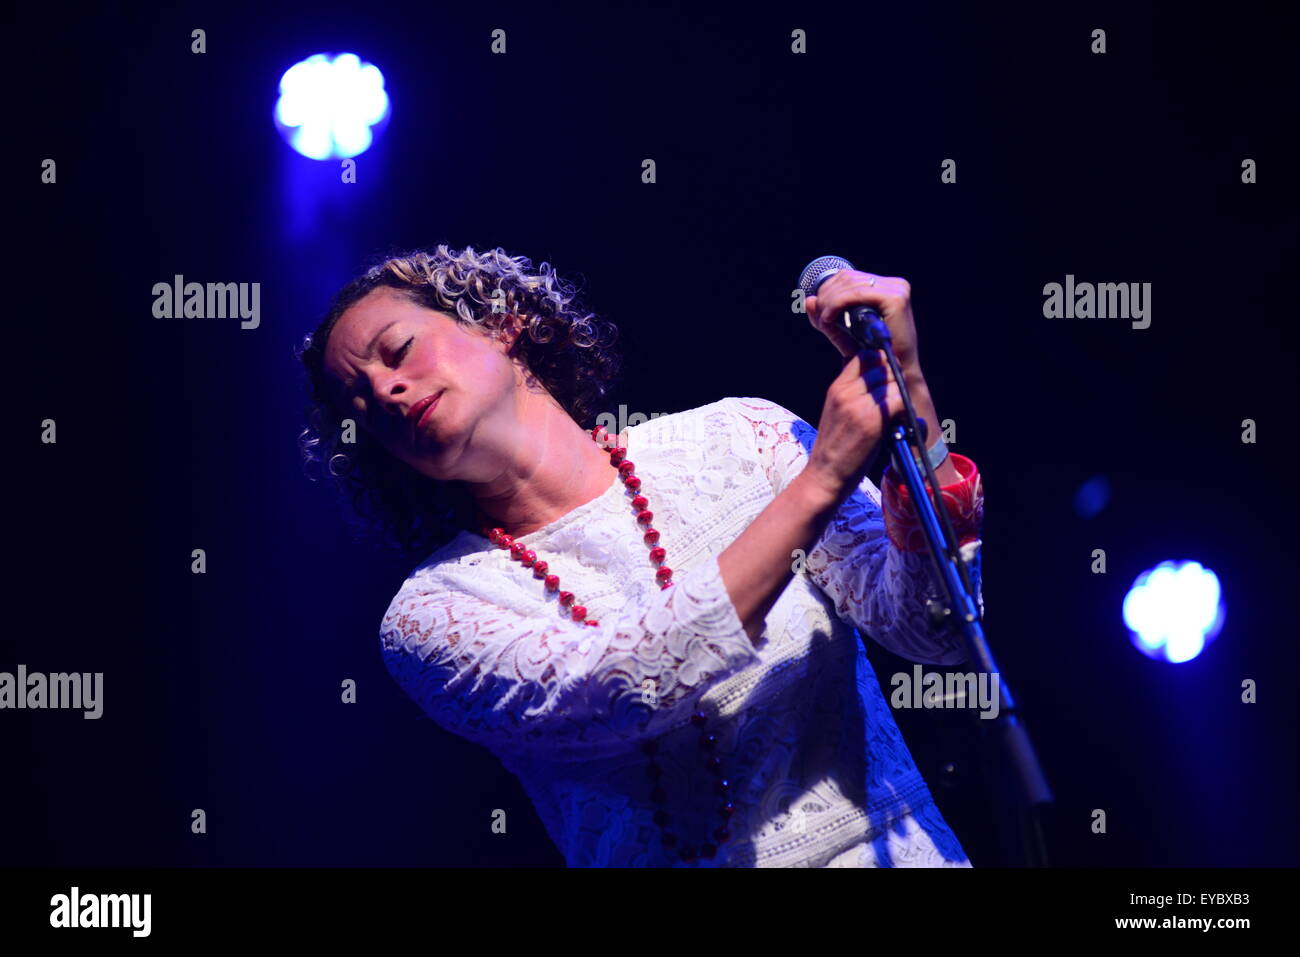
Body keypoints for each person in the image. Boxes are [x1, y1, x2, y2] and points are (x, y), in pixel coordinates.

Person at [296, 244, 985, 867]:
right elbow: (624, 686)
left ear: (499, 323)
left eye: (398, 350)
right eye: (359, 403)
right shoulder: (432, 612)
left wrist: (911, 394)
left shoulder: (741, 435)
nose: (385, 391)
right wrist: (821, 481)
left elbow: (933, 627)